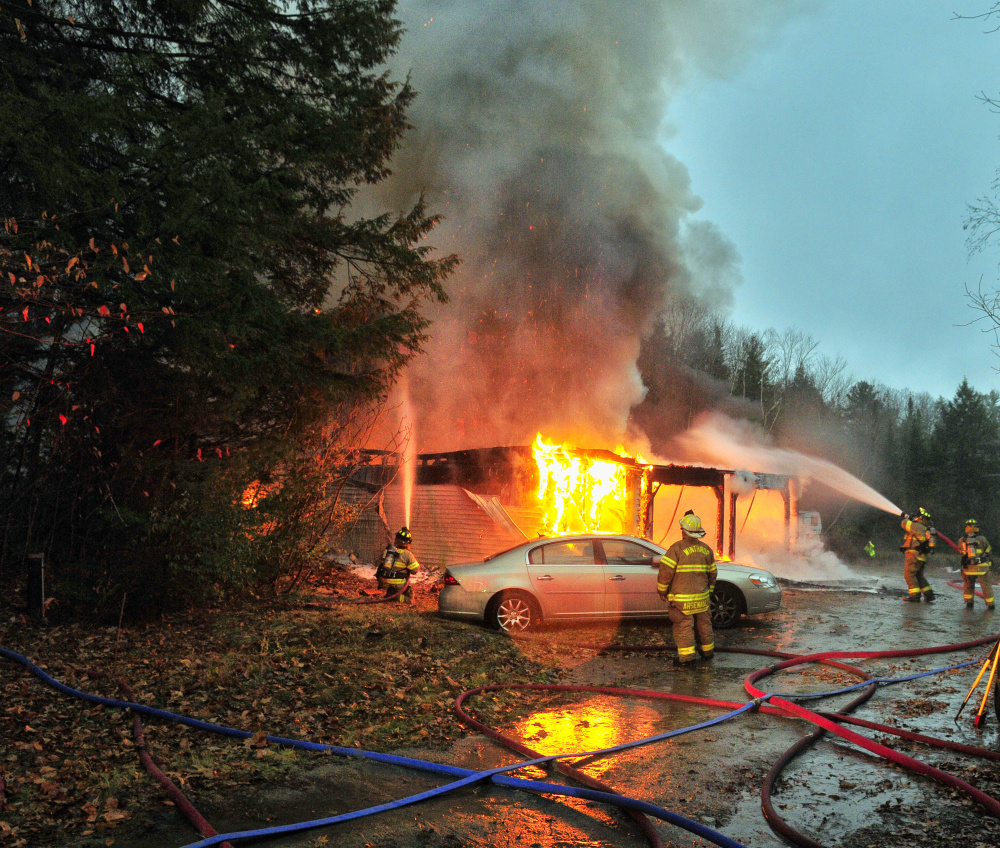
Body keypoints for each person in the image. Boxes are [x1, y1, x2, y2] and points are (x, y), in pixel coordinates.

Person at [657, 510, 717, 665]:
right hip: (702, 600)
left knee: (684, 627)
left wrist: (662, 591)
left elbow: (665, 573)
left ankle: (687, 658)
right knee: (704, 625)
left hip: (682, 601)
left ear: (683, 531)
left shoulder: (676, 549)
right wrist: (708, 592)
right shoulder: (706, 550)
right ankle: (707, 652)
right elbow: (712, 574)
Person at [958, 519, 995, 611]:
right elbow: (989, 551)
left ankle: (969, 603)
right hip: (981, 567)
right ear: (974, 528)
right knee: (986, 585)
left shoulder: (962, 540)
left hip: (968, 567)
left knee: (968, 584)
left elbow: (961, 553)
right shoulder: (982, 539)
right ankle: (990, 605)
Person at [900, 508, 936, 602]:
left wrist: (910, 519)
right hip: (921, 555)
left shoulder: (917, 526)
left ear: (920, 518)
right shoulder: (925, 528)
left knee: (909, 574)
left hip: (914, 554)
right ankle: (929, 595)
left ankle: (915, 595)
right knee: (919, 575)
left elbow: (904, 523)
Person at [376, 527, 420, 603]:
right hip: (397, 584)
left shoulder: (388, 550)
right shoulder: (407, 554)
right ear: (408, 542)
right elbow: (415, 570)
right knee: (410, 597)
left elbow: (380, 563)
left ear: (396, 539)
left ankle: (391, 593)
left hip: (383, 582)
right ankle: (394, 597)